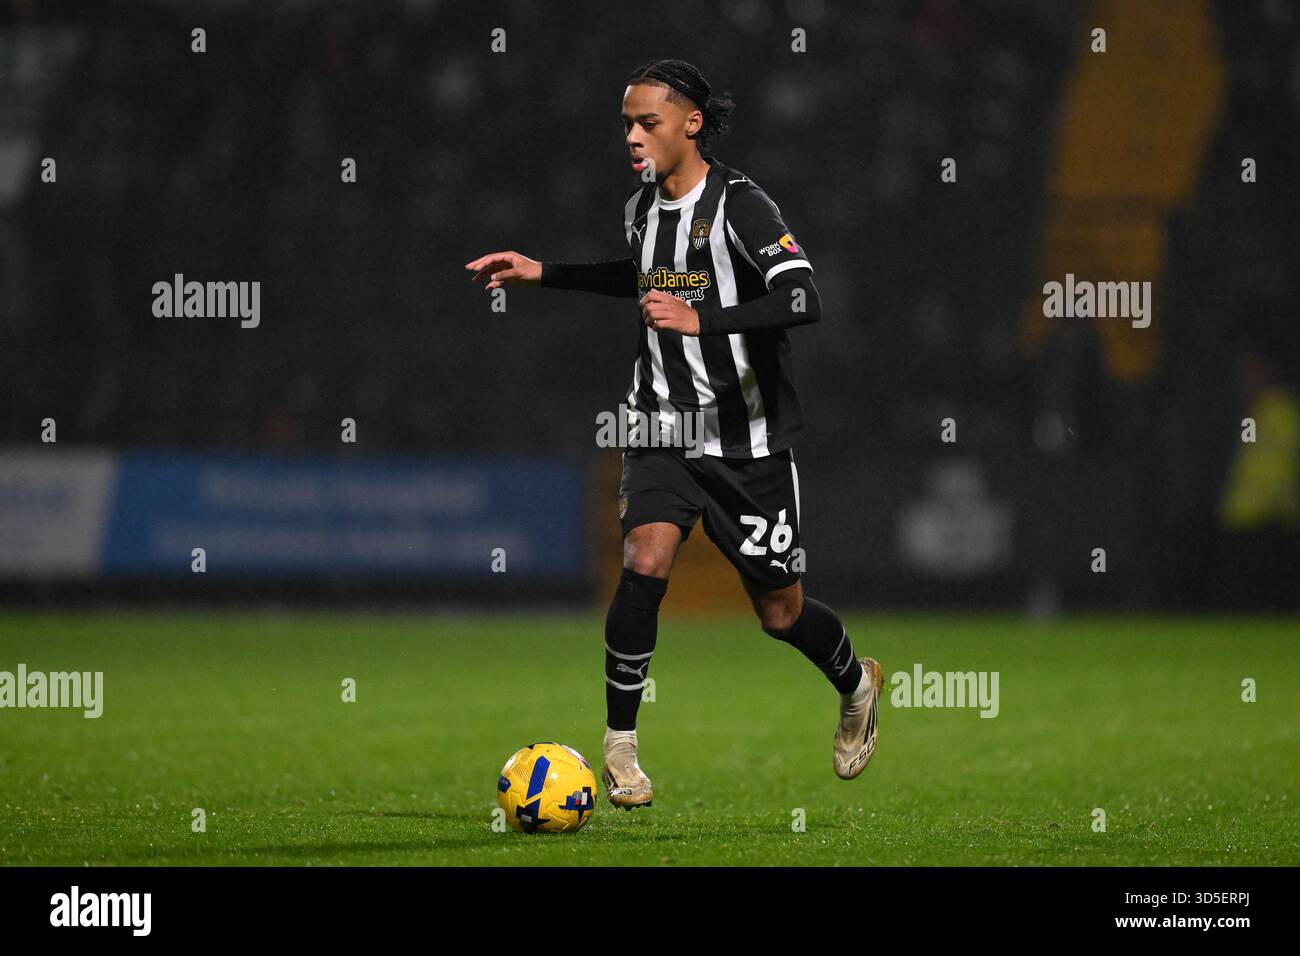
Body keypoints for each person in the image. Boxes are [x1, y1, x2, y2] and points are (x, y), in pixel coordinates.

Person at [465, 59, 881, 809]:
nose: (631, 136)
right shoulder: (640, 208)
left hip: (747, 441)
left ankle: (856, 683)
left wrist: (703, 320)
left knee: (780, 613)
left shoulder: (743, 206)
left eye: (646, 122)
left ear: (690, 124)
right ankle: (620, 746)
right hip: (661, 424)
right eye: (625, 122)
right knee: (645, 557)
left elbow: (802, 295)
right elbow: (643, 275)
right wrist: (544, 272)